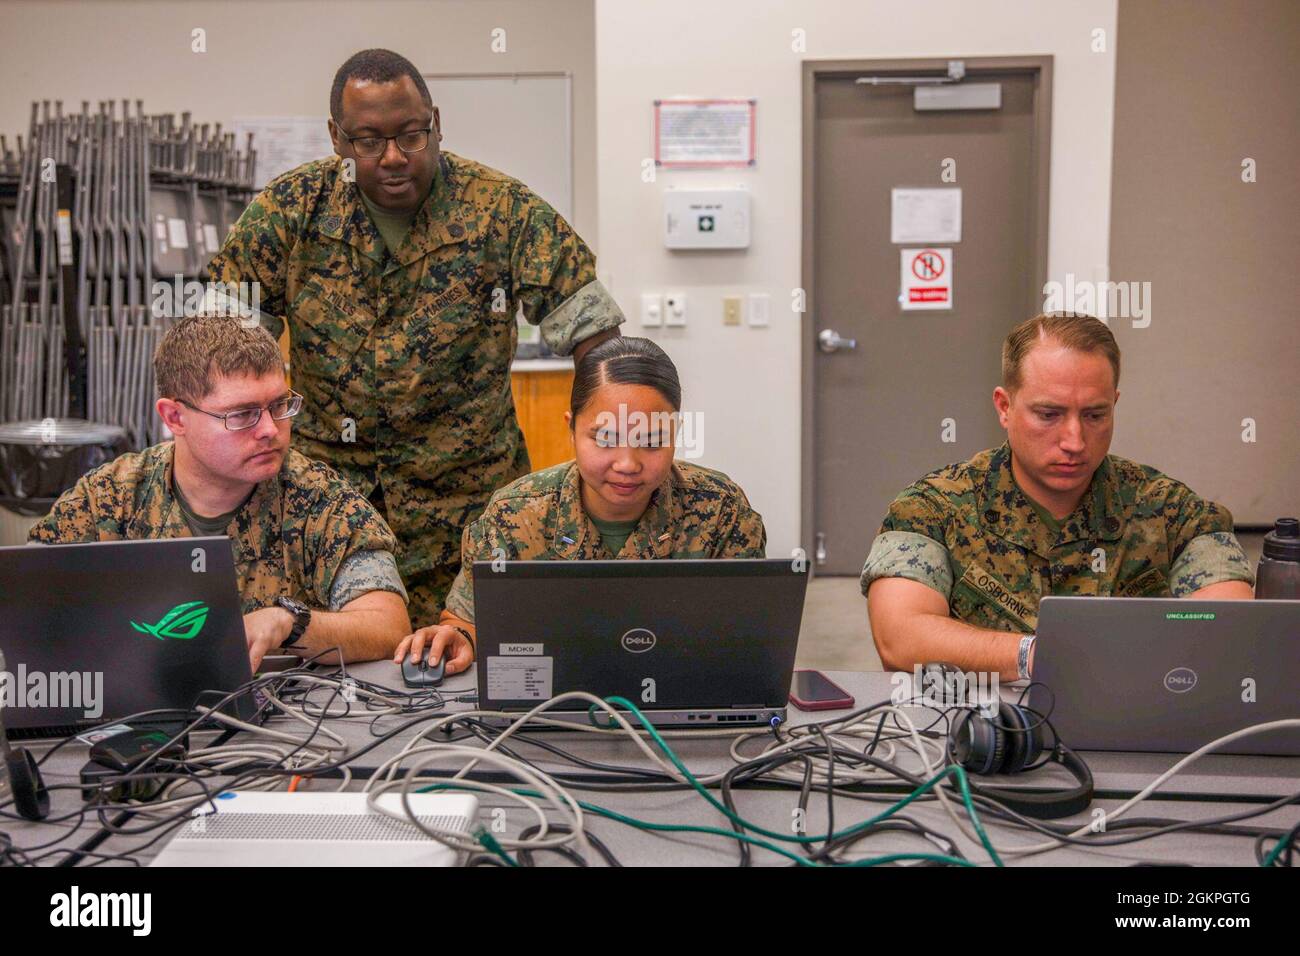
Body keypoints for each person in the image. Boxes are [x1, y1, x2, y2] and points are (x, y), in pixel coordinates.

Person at [205, 48, 625, 626]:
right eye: (368, 140)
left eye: (412, 134)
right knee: (327, 685)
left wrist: (607, 440)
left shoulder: (501, 210)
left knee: (482, 684)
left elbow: (600, 338)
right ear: (336, 137)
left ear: (437, 121)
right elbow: (217, 346)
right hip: (328, 515)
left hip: (472, 516)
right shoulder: (290, 211)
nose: (395, 157)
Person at [860, 312, 1254, 681]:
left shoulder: (1172, 512)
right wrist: (1038, 656)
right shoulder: (933, 508)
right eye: (1048, 414)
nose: (1074, 441)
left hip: (1130, 736)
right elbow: (900, 637)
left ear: (1114, 405)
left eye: (1094, 416)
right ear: (1004, 406)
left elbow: (1232, 631)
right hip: (982, 738)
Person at [29, 316, 411, 671]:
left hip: (282, 725)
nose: (269, 429)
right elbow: (23, 605)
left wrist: (290, 624)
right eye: (242, 414)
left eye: (279, 405)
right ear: (174, 417)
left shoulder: (320, 501)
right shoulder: (109, 498)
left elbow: (388, 626)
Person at [392, 337, 767, 675]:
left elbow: (749, 636)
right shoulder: (515, 515)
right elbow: (467, 621)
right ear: (571, 430)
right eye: (606, 439)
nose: (627, 463)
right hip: (548, 716)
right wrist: (457, 637)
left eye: (651, 441)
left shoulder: (720, 511)